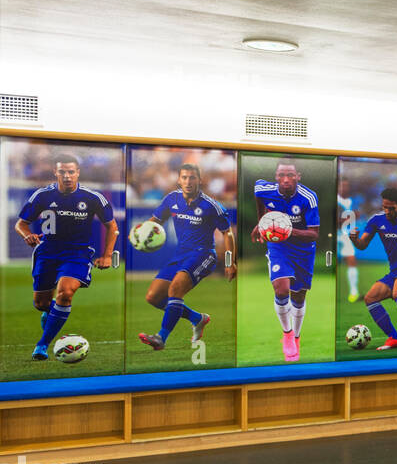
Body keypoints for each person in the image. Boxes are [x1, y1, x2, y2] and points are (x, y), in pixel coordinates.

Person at [14, 154, 119, 360]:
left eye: (71, 171)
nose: (67, 176)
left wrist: (107, 256)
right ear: (56, 172)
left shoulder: (93, 197)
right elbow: (21, 224)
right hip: (47, 252)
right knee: (41, 304)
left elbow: (112, 226)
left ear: (78, 172)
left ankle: (42, 345)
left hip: (78, 253)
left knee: (65, 292)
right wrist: (28, 235)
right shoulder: (42, 196)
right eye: (63, 171)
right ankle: (50, 313)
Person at [137, 163, 237, 350]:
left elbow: (227, 233)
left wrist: (230, 262)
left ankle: (160, 338)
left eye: (192, 177)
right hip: (180, 255)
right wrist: (139, 233)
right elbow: (155, 221)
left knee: (175, 290)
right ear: (178, 180)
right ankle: (197, 318)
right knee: (153, 297)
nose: (188, 181)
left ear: (200, 180)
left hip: (204, 254)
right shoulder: (171, 199)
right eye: (184, 177)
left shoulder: (212, 206)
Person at [252, 160, 320, 362]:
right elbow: (258, 195)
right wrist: (262, 223)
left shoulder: (309, 197)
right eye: (282, 175)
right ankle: (288, 334)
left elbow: (314, 234)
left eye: (290, 175)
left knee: (298, 297)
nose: (286, 179)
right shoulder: (264, 190)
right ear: (276, 177)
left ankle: (297, 337)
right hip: (279, 246)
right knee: (281, 289)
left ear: (298, 176)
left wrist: (287, 229)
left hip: (303, 250)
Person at [348, 187, 397, 350]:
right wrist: (354, 240)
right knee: (370, 298)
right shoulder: (376, 220)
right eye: (385, 207)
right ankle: (394, 338)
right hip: (395, 271)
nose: (387, 211)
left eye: (391, 208)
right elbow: (362, 245)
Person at [338, 179, 360, 303]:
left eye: (347, 185)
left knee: (351, 260)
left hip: (346, 235)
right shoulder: (336, 200)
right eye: (343, 185)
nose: (345, 188)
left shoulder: (352, 201)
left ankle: (353, 292)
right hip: (336, 234)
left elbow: (356, 215)